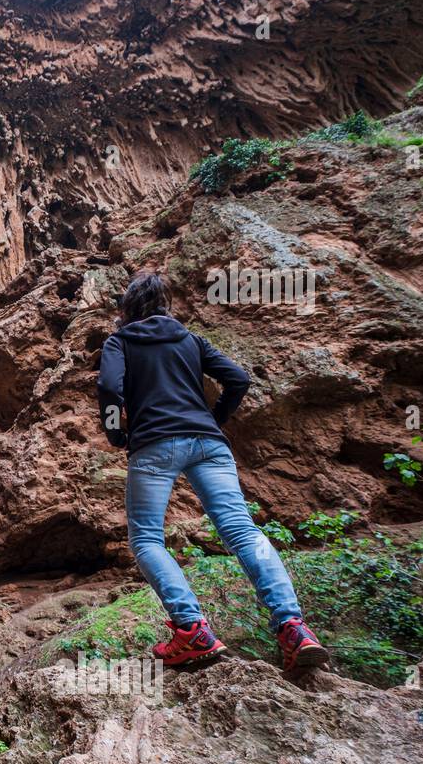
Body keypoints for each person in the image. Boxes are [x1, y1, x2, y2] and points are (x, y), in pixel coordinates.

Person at [96, 271, 329, 672]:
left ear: (127, 309)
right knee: (242, 531)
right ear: (165, 304)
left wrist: (117, 431)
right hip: (208, 444)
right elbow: (237, 379)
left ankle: (192, 631)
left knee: (148, 539)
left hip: (153, 445)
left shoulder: (120, 341)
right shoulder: (190, 340)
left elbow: (109, 388)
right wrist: (213, 419)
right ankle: (293, 627)